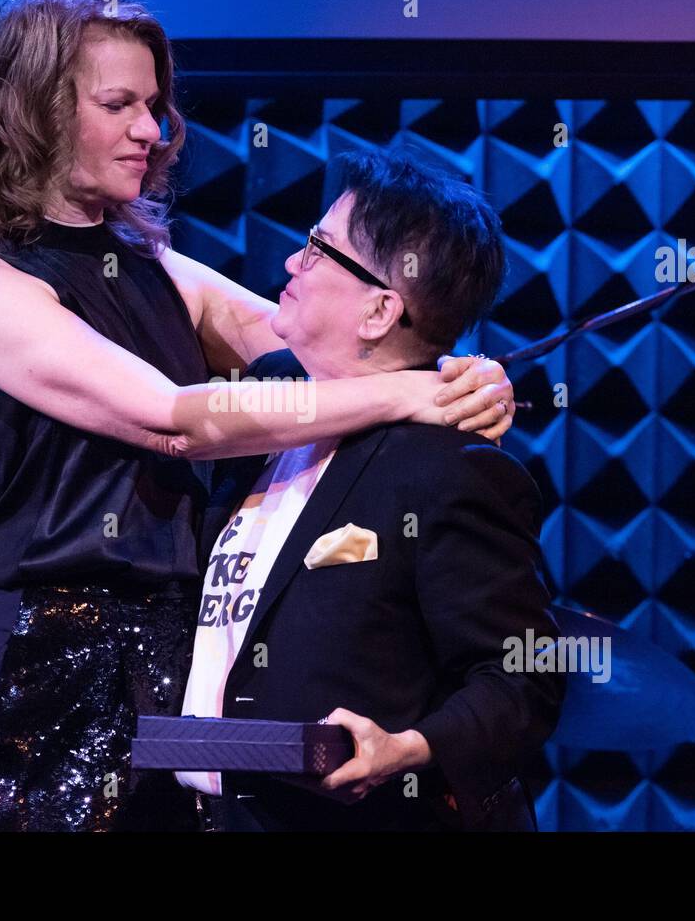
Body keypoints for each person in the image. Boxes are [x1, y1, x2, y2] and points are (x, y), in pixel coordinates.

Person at [0, 0, 517, 831]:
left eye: (155, 104)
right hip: (44, 661)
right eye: (119, 103)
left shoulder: (151, 264)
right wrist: (412, 389)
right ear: (40, 112)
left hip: (177, 660)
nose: (150, 129)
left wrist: (463, 372)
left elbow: (319, 341)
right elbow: (175, 419)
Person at [177, 149, 564, 830]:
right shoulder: (261, 419)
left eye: (319, 248)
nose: (293, 263)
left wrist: (406, 749)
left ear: (381, 310)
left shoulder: (451, 468)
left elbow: (524, 678)